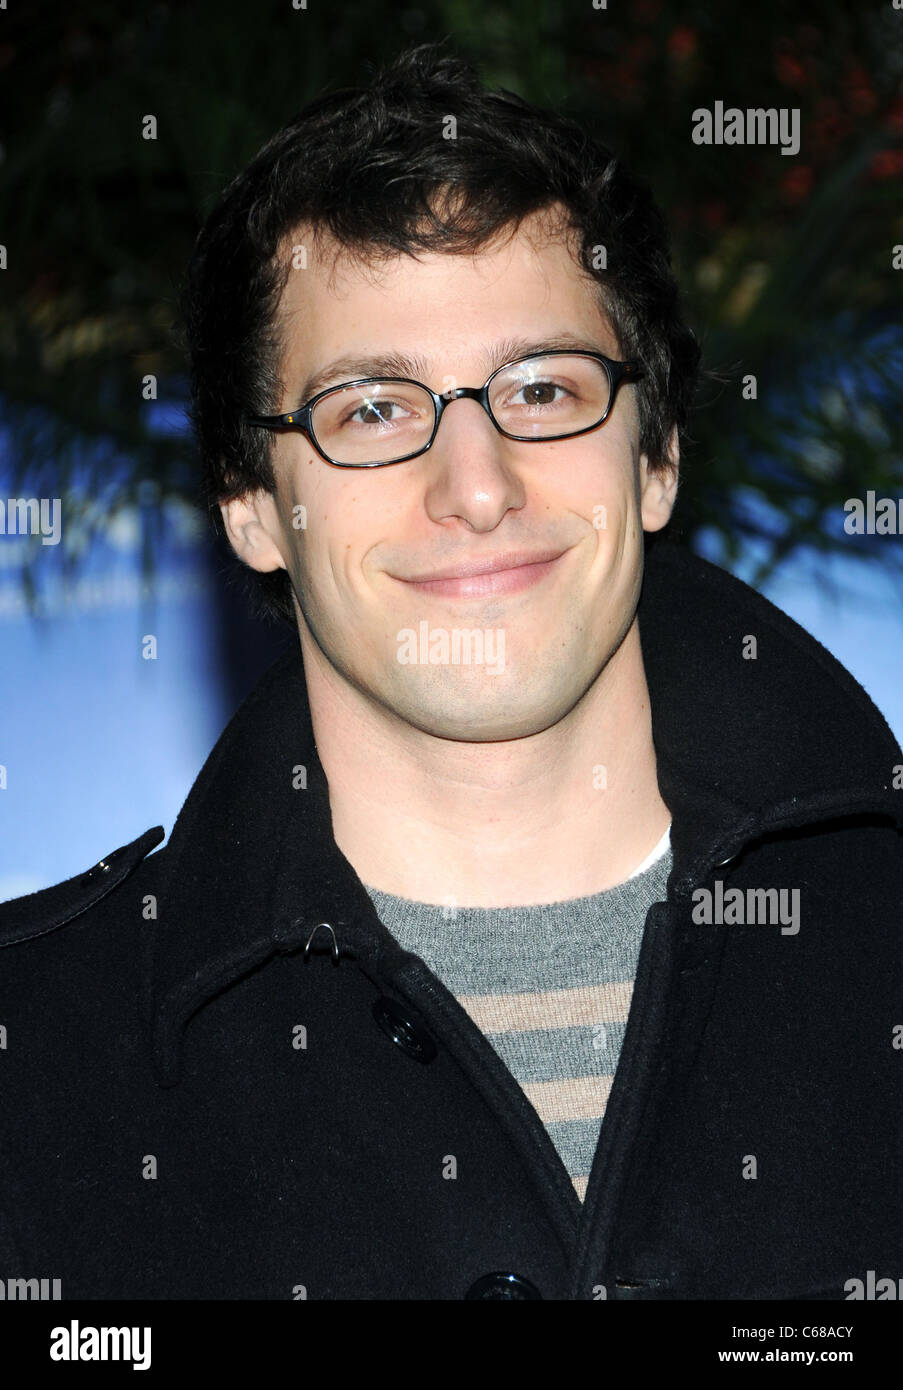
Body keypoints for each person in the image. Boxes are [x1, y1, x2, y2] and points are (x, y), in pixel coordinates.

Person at [1, 42, 901, 1302]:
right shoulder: (34, 1063)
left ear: (657, 459)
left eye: (543, 388)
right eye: (371, 407)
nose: (477, 486)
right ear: (253, 504)